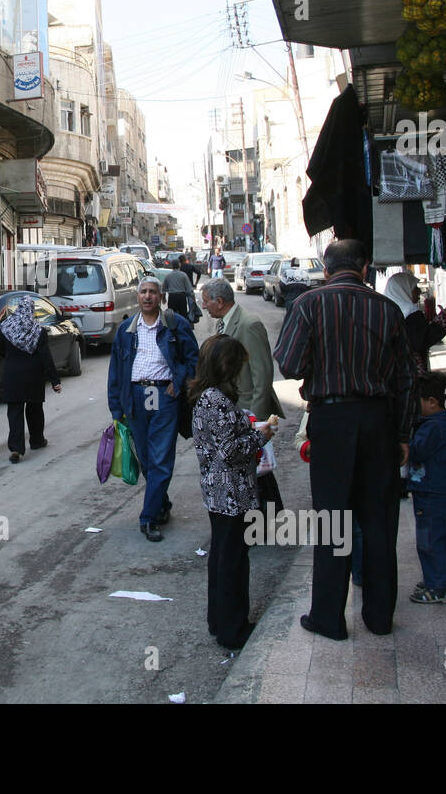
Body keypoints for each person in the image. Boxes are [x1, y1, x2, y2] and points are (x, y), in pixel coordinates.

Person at [273, 238, 417, 640]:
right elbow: (407, 378)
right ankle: (379, 616)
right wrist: (403, 434)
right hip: (378, 421)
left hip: (332, 420)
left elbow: (288, 364)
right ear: (366, 268)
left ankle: (329, 618)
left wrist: (318, 364)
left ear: (325, 268)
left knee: (332, 521)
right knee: (379, 521)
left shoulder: (308, 305)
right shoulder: (387, 309)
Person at [189, 335, 278, 651]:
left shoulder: (207, 397)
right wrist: (261, 436)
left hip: (220, 491)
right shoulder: (216, 400)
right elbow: (230, 450)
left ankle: (221, 621)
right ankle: (232, 628)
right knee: (232, 561)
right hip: (230, 493)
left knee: (224, 558)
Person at [107, 275, 200, 542]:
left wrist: (178, 382)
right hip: (135, 397)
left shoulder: (174, 325)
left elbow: (193, 359)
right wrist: (116, 409)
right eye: (143, 292)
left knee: (161, 459)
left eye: (153, 292)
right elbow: (116, 372)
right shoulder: (126, 330)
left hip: (163, 396)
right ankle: (162, 504)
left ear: (161, 297)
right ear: (137, 297)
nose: (147, 296)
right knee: (147, 460)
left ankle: (147, 518)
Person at [199, 278, 285, 421]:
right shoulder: (221, 323)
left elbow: (262, 375)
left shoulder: (249, 325)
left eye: (206, 301)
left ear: (219, 302)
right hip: (230, 408)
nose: (203, 306)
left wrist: (256, 417)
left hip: (246, 409)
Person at [407, 371, 446, 604]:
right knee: (441, 534)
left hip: (430, 489)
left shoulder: (432, 427)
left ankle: (439, 586)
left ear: (432, 402)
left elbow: (415, 450)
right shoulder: (441, 422)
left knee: (429, 539)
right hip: (437, 489)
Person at [0, 296, 62, 464]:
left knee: (15, 412)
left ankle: (16, 449)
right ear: (32, 310)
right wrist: (55, 381)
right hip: (33, 377)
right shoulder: (38, 331)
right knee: (34, 410)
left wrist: (13, 357)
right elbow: (45, 357)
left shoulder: (6, 327)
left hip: (12, 375)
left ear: (18, 309)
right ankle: (37, 441)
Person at [383, 271, 446, 372]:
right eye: (415, 288)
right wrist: (445, 318)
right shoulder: (411, 312)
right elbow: (421, 341)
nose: (419, 291)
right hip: (412, 370)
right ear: (404, 289)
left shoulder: (386, 310)